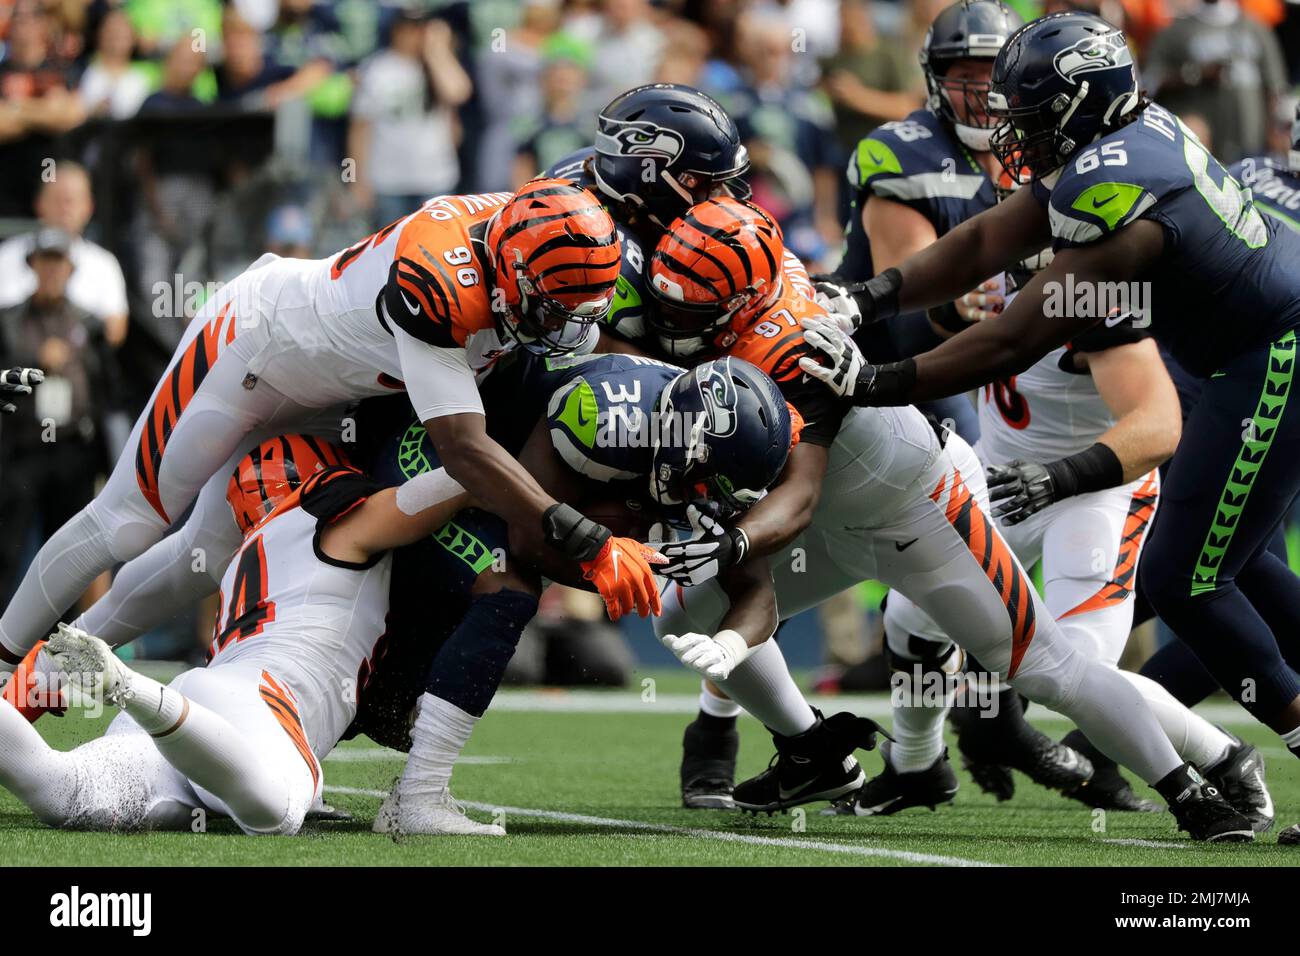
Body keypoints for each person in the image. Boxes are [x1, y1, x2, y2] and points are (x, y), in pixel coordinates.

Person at [797, 12, 1300, 843]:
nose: (1012, 136)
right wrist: (871, 296)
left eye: (1029, 116)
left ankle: (1223, 758)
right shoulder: (1106, 156)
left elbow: (1016, 339)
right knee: (915, 621)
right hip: (1021, 469)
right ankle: (918, 762)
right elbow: (991, 236)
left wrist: (876, 379)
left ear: (1078, 108)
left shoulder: (1111, 222)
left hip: (1120, 464)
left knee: (1149, 611)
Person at [643, 195, 1253, 840]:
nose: (676, 317)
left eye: (693, 304)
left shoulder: (795, 349)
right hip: (843, 517)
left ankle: (1193, 792)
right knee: (685, 611)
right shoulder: (760, 276)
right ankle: (816, 751)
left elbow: (796, 496)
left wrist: (735, 543)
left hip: (921, 509)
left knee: (1048, 667)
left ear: (744, 299)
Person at [0, 180, 662, 722]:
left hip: (326, 397)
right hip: (251, 348)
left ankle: (49, 673)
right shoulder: (438, 280)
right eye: (553, 307)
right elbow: (463, 449)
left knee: (207, 555)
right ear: (514, 270)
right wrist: (590, 544)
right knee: (130, 517)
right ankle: (4, 660)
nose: (566, 326)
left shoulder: (537, 231)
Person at [0, 436, 483, 835]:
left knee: (62, 790)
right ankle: (127, 687)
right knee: (276, 810)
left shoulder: (240, 559)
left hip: (200, 696)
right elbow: (438, 490)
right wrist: (495, 463)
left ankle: (133, 690)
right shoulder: (335, 519)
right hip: (261, 705)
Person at [0, 229, 118, 605]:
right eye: (45, 261)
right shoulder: (8, 321)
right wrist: (35, 365)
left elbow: (108, 384)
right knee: (8, 547)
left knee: (68, 555)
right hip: (22, 449)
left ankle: (57, 645)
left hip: (74, 451)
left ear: (70, 269)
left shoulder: (89, 323)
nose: (52, 270)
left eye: (59, 263)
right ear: (32, 266)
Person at [0, 163, 130, 347]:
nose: (65, 208)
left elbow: (115, 332)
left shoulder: (104, 264)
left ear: (89, 207)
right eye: (58, 199)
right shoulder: (7, 256)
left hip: (77, 367)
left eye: (73, 200)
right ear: (39, 203)